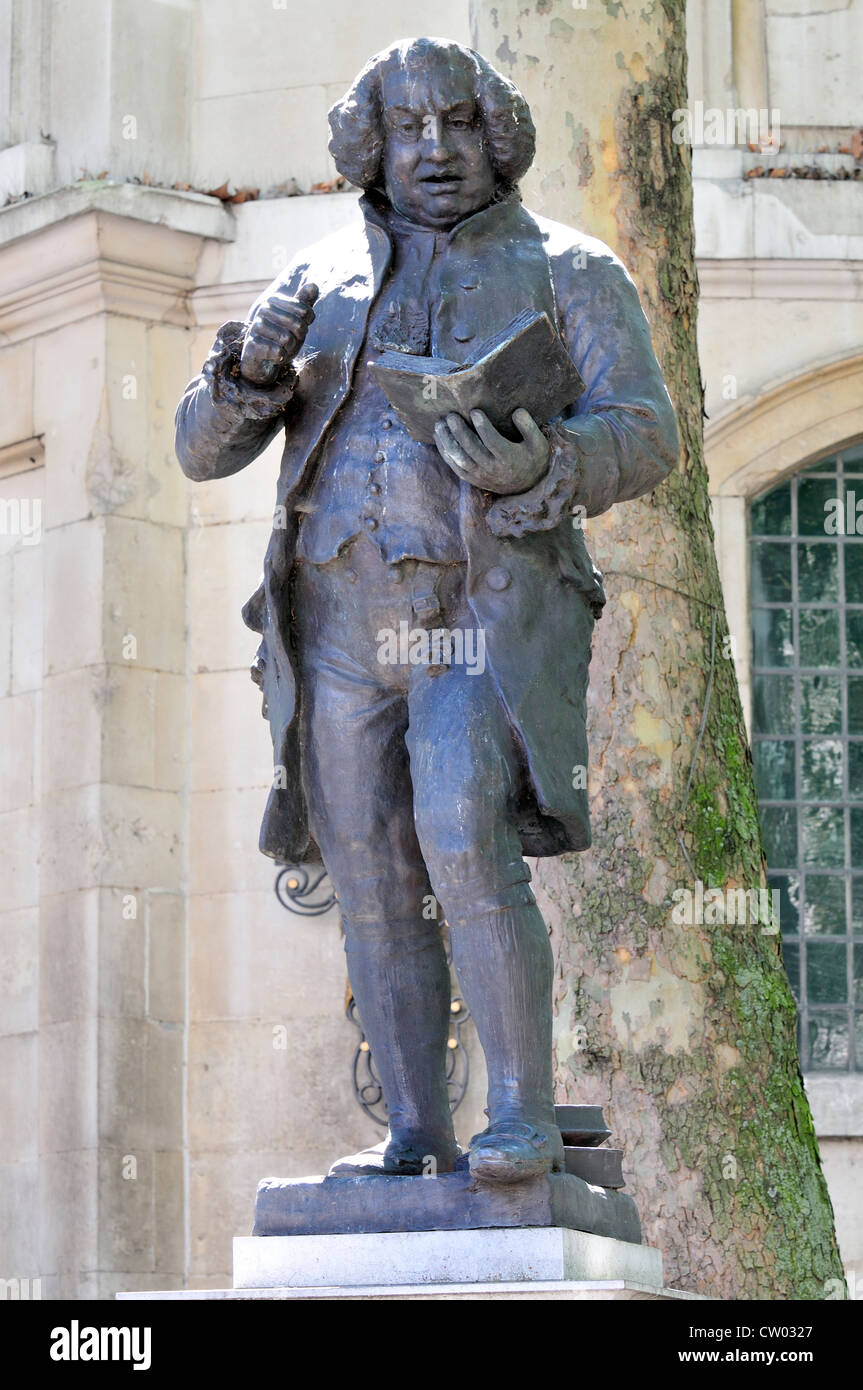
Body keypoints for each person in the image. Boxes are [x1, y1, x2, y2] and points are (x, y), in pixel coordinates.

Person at [175, 37, 678, 1184]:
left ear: (495, 136)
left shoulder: (568, 267)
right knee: (367, 872)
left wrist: (544, 459)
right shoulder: (314, 281)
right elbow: (200, 452)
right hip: (335, 633)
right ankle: (412, 1134)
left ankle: (521, 1118)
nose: (436, 150)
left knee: (461, 837)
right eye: (409, 129)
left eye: (458, 124)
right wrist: (243, 380)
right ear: (374, 145)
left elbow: (645, 429)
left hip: (470, 621)